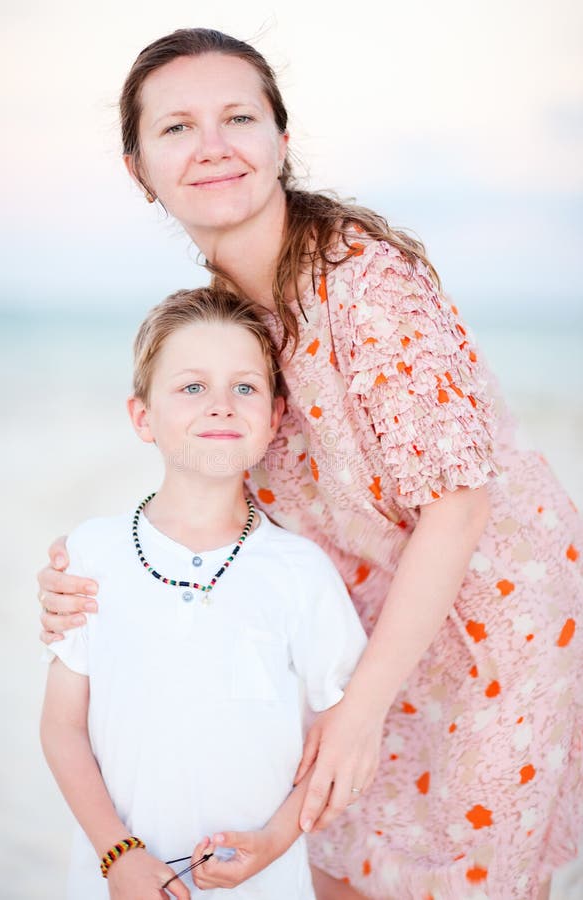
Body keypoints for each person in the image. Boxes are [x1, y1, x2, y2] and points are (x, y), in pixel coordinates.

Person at [37, 28, 583, 900]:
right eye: (176, 128)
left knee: (467, 879)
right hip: (352, 621)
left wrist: (360, 708)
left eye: (238, 117)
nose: (212, 145)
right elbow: (202, 484)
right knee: (333, 866)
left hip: (494, 615)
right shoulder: (220, 324)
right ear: (138, 168)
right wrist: (90, 578)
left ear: (280, 144)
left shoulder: (365, 279)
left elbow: (459, 507)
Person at [40, 287, 368, 900]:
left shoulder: (300, 571)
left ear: (273, 419)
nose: (220, 406)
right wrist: (119, 856)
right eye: (192, 387)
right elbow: (62, 729)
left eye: (244, 388)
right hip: (117, 880)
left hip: (263, 883)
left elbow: (341, 740)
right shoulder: (91, 555)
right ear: (143, 417)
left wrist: (272, 842)